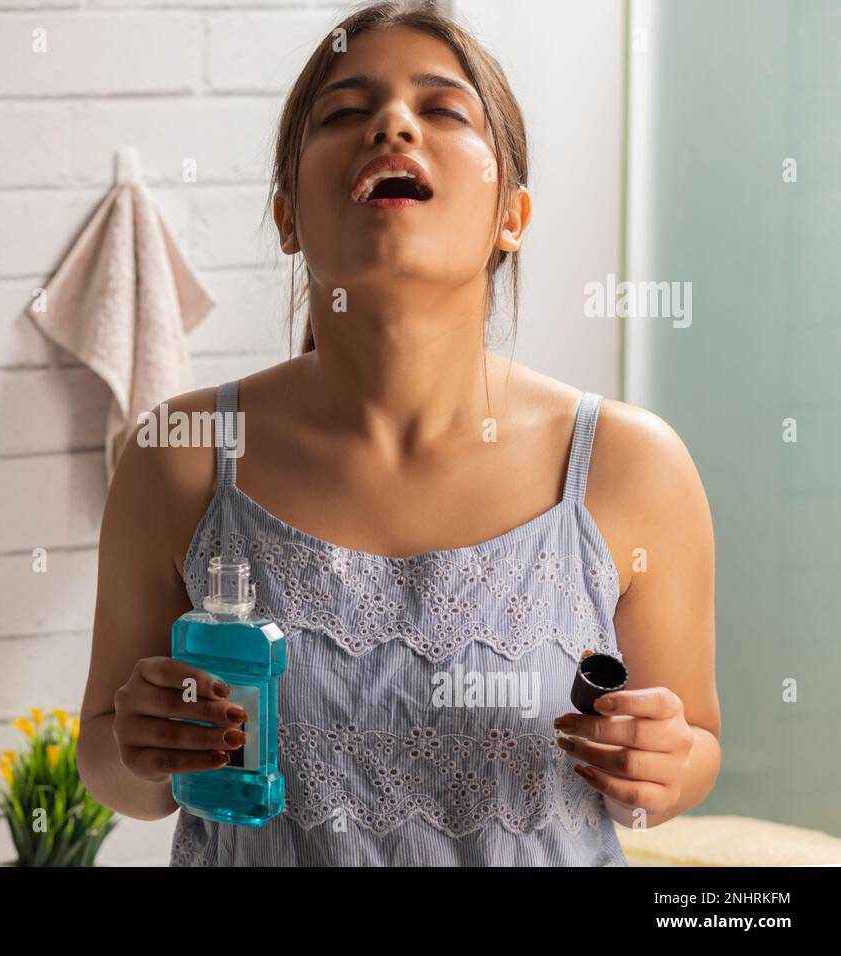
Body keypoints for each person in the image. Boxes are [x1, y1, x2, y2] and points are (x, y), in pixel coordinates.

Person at [77, 3, 719, 865]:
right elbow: (113, 767)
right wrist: (142, 747)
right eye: (345, 112)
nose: (391, 124)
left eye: (443, 109)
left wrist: (666, 765)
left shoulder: (631, 467)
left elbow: (694, 751)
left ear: (512, 216)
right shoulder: (182, 454)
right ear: (287, 218)